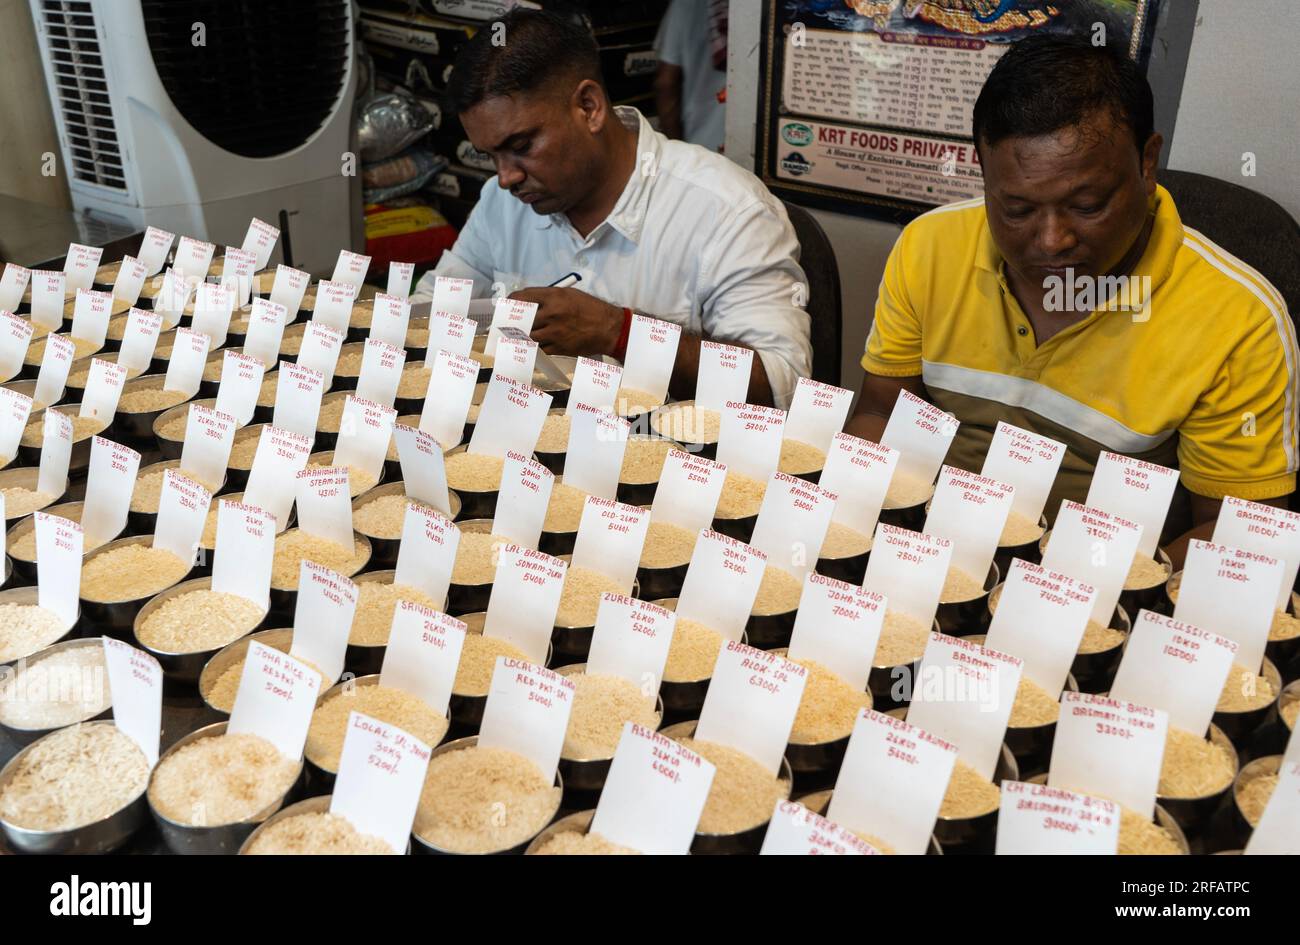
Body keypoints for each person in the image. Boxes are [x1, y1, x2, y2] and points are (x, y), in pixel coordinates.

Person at [844, 34, 1297, 555]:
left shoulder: (1239, 319)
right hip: (921, 548)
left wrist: (1100, 596)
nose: (1052, 240)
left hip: (1102, 586)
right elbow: (881, 412)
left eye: (1087, 205)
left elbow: (1237, 536)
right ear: (983, 172)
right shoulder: (930, 245)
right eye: (1016, 210)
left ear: (1148, 163)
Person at [413, 9, 811, 409]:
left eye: (521, 148)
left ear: (588, 107)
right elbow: (430, 311)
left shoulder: (728, 211)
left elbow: (781, 384)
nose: (505, 177)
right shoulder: (501, 202)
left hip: (671, 460)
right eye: (490, 156)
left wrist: (620, 333)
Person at [653, 0, 728, 152]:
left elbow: (666, 82)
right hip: (759, 147)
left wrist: (676, 153)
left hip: (701, 147)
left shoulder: (686, 3)